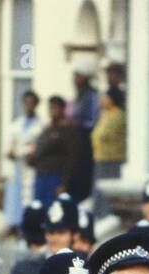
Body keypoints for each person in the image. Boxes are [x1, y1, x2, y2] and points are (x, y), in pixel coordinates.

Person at [28, 96, 78, 207]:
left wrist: (64, 183)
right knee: (37, 208)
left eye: (55, 108)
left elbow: (72, 157)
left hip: (55, 176)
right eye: (50, 108)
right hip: (41, 174)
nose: (52, 111)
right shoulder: (48, 128)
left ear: (62, 109)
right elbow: (39, 148)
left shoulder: (68, 129)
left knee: (51, 209)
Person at [4, 91, 42, 233]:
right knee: (14, 194)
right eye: (27, 102)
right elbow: (9, 147)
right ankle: (14, 224)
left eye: (32, 103)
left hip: (29, 166)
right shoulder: (17, 123)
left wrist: (24, 151)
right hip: (16, 167)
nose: (29, 105)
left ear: (36, 105)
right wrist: (12, 151)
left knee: (28, 194)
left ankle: (26, 225)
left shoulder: (40, 126)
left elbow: (36, 147)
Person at [67, 67, 100, 202]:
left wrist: (79, 124)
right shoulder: (78, 96)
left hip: (86, 140)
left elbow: (93, 120)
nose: (76, 80)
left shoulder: (92, 96)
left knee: (84, 175)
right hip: (75, 141)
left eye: (79, 76)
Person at [91, 85, 125, 182]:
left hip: (111, 160)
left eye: (105, 98)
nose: (102, 100)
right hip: (100, 158)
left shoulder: (118, 115)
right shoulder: (106, 114)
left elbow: (103, 135)